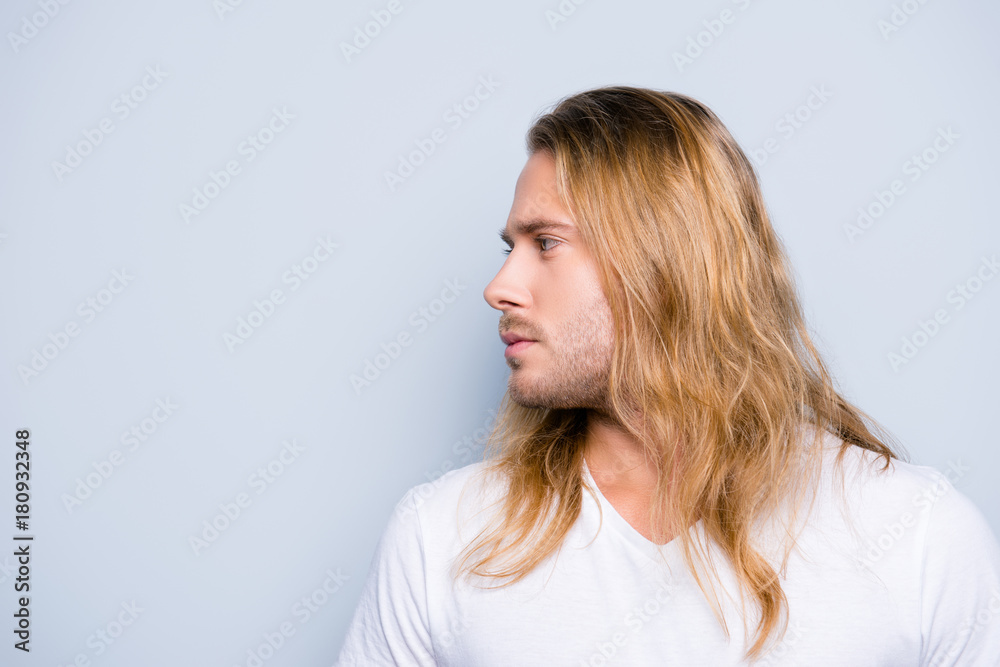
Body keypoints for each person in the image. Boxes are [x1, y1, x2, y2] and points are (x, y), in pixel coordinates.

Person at [335, 87, 1000, 666]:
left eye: (546, 243)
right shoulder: (443, 535)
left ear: (662, 260)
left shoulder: (915, 532)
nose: (499, 286)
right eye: (511, 248)